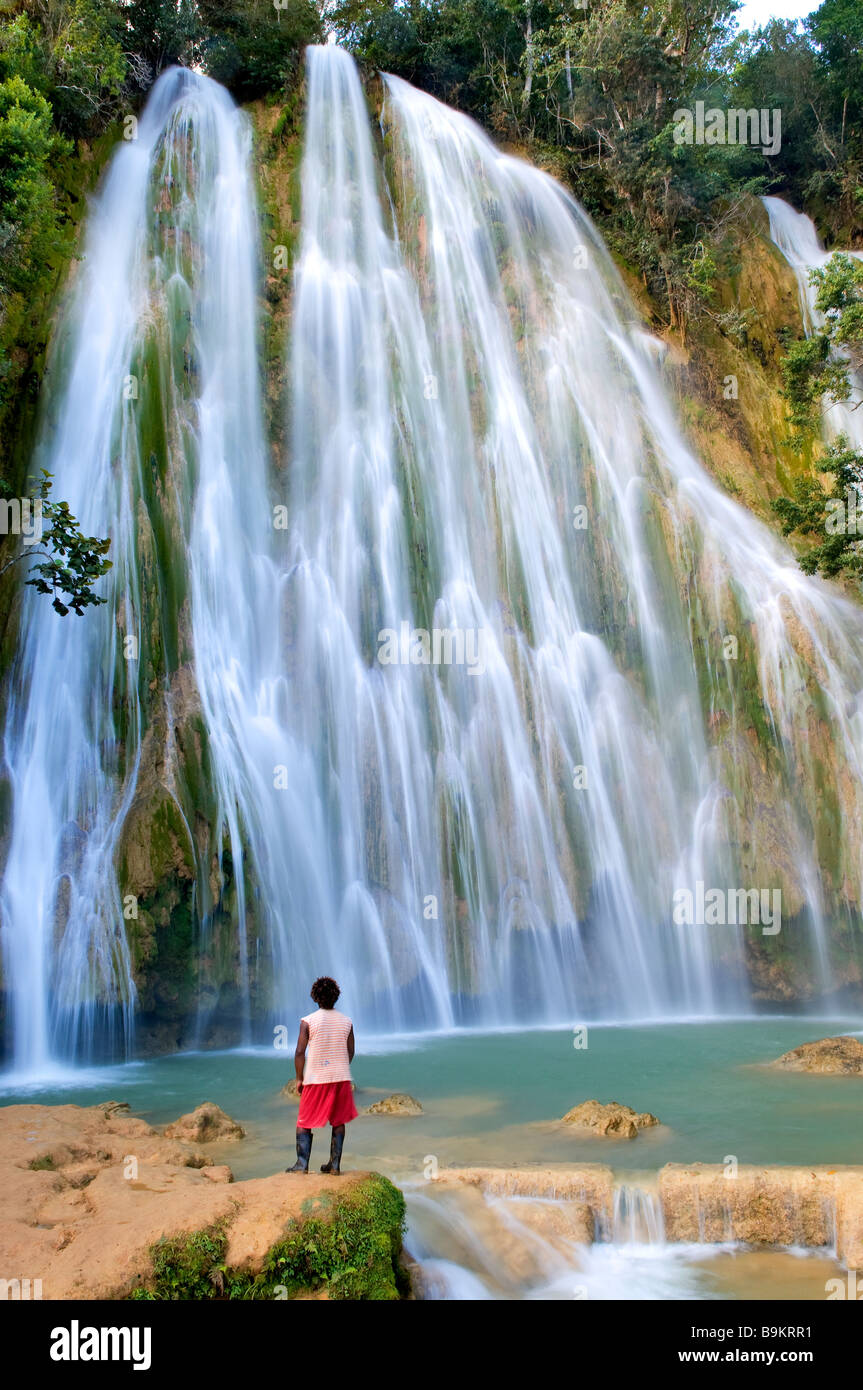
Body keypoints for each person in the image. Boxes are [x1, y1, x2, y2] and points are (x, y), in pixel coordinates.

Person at [287, 976, 357, 1174]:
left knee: (304, 1121)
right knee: (338, 1121)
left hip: (316, 1078)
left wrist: (299, 1078)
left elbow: (300, 1052)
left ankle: (302, 1164)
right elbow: (350, 1051)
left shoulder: (307, 1022)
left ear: (315, 997)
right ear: (336, 997)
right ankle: (334, 1166)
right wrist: (340, 1066)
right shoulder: (347, 1022)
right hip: (341, 1077)